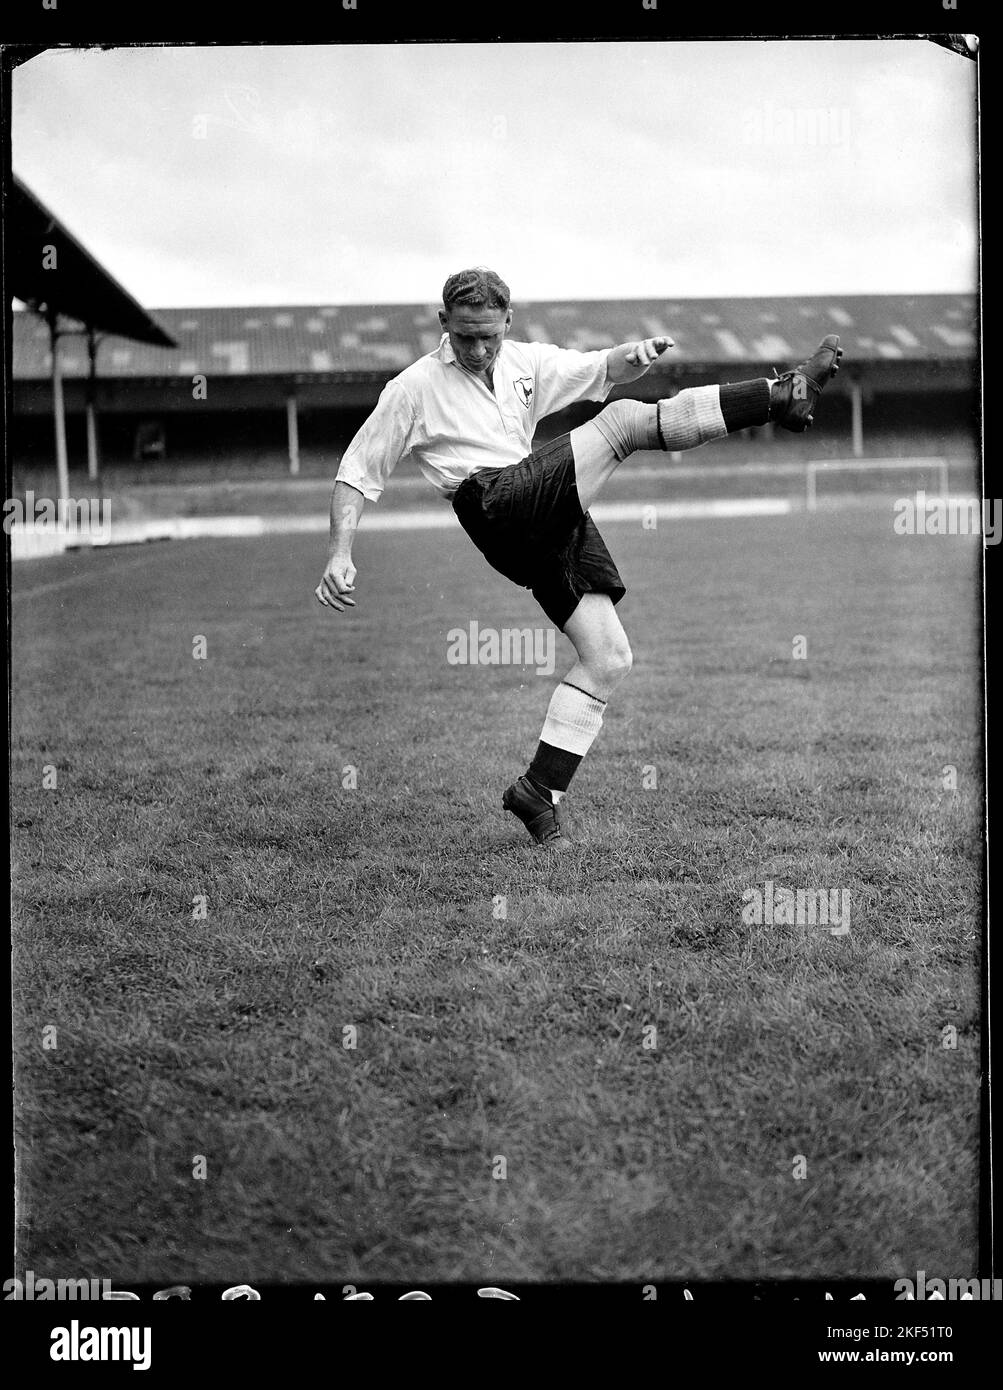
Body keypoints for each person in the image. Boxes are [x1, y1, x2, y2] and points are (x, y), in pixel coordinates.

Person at [316, 267, 842, 850]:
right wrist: (340, 552)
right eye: (465, 336)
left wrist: (632, 355)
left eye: (490, 334)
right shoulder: (412, 388)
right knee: (621, 424)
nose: (479, 347)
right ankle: (780, 396)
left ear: (508, 322)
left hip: (543, 510)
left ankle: (539, 794)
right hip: (493, 503)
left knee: (610, 656)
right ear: (444, 324)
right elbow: (357, 470)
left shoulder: (526, 362)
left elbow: (599, 371)